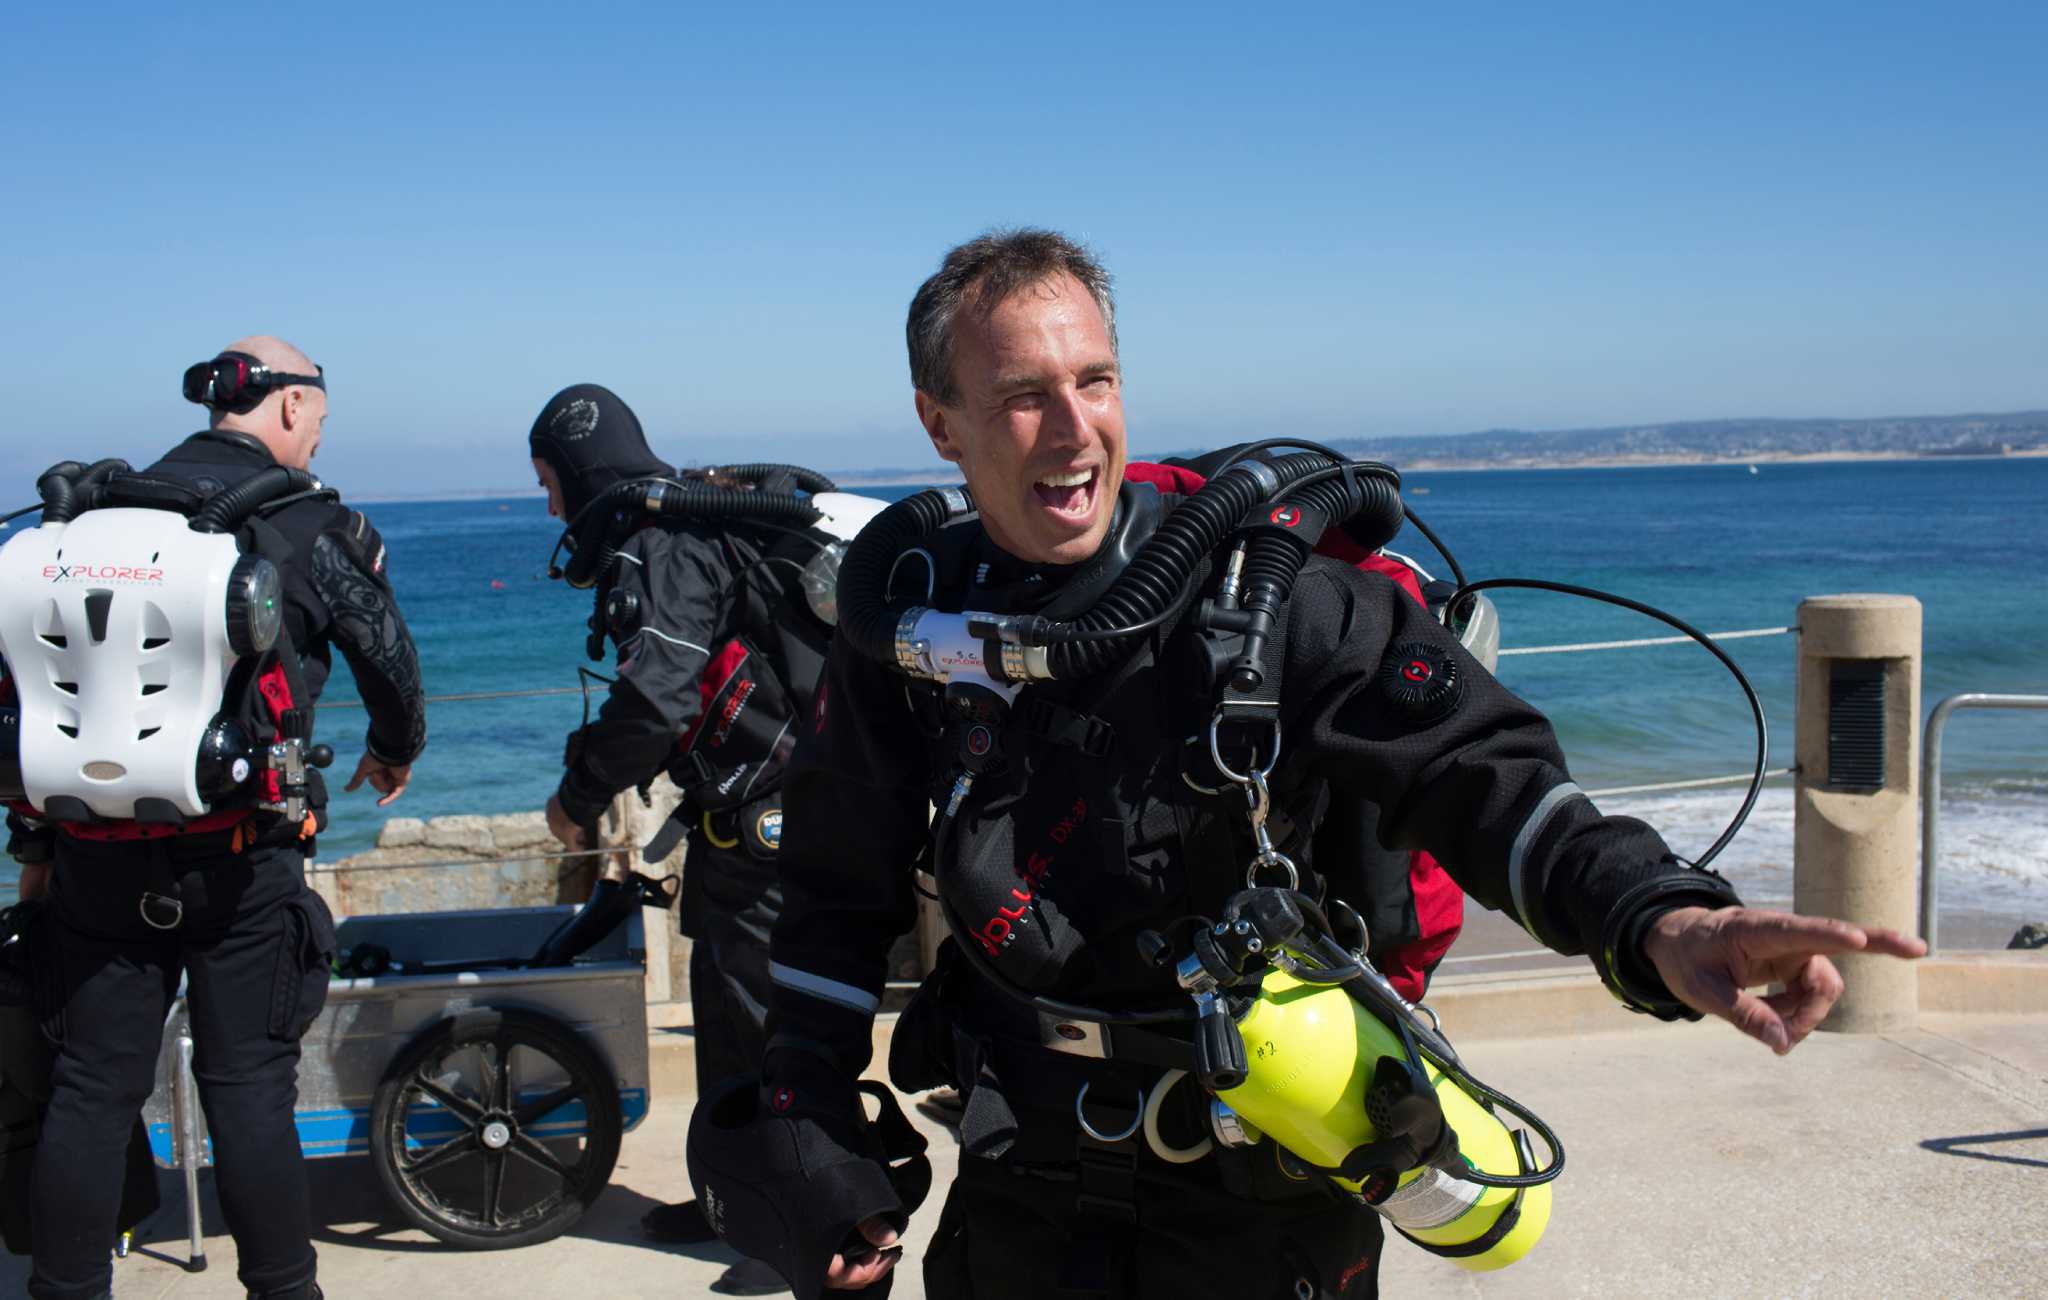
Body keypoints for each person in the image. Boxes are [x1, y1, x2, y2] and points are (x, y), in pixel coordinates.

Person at [705, 231, 1926, 1299]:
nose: (1074, 428)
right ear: (940, 422)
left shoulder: (1269, 600)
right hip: (1018, 1178)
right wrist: (807, 1115)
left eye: (1095, 379)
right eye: (1022, 394)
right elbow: (831, 891)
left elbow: (1481, 773)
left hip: (1263, 1191)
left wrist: (1657, 916)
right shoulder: (913, 631)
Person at [3, 335, 428, 1300]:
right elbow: (389, 660)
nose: (320, 433)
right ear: (286, 406)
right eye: (319, 414)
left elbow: (36, 694)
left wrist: (32, 846)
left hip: (94, 857)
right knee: (247, 1097)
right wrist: (395, 750)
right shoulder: (314, 523)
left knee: (90, 1091)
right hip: (243, 862)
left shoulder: (97, 520)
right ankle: (284, 1291)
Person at [530, 384, 874, 1296]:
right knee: (727, 1022)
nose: (551, 507)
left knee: (773, 1031)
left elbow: (653, 701)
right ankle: (733, 1200)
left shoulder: (671, 540)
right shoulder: (686, 525)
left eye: (547, 486)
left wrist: (578, 793)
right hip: (744, 821)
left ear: (572, 468)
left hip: (772, 825)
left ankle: (810, 1232)